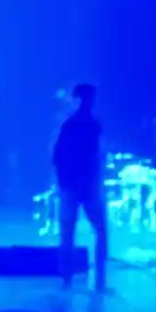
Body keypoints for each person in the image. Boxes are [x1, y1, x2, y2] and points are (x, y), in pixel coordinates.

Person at [52, 83, 107, 291]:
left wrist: (63, 181)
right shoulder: (92, 125)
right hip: (87, 186)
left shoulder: (69, 124)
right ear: (90, 99)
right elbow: (94, 156)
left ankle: (66, 277)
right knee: (100, 230)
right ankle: (100, 277)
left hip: (70, 186)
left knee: (67, 232)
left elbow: (57, 156)